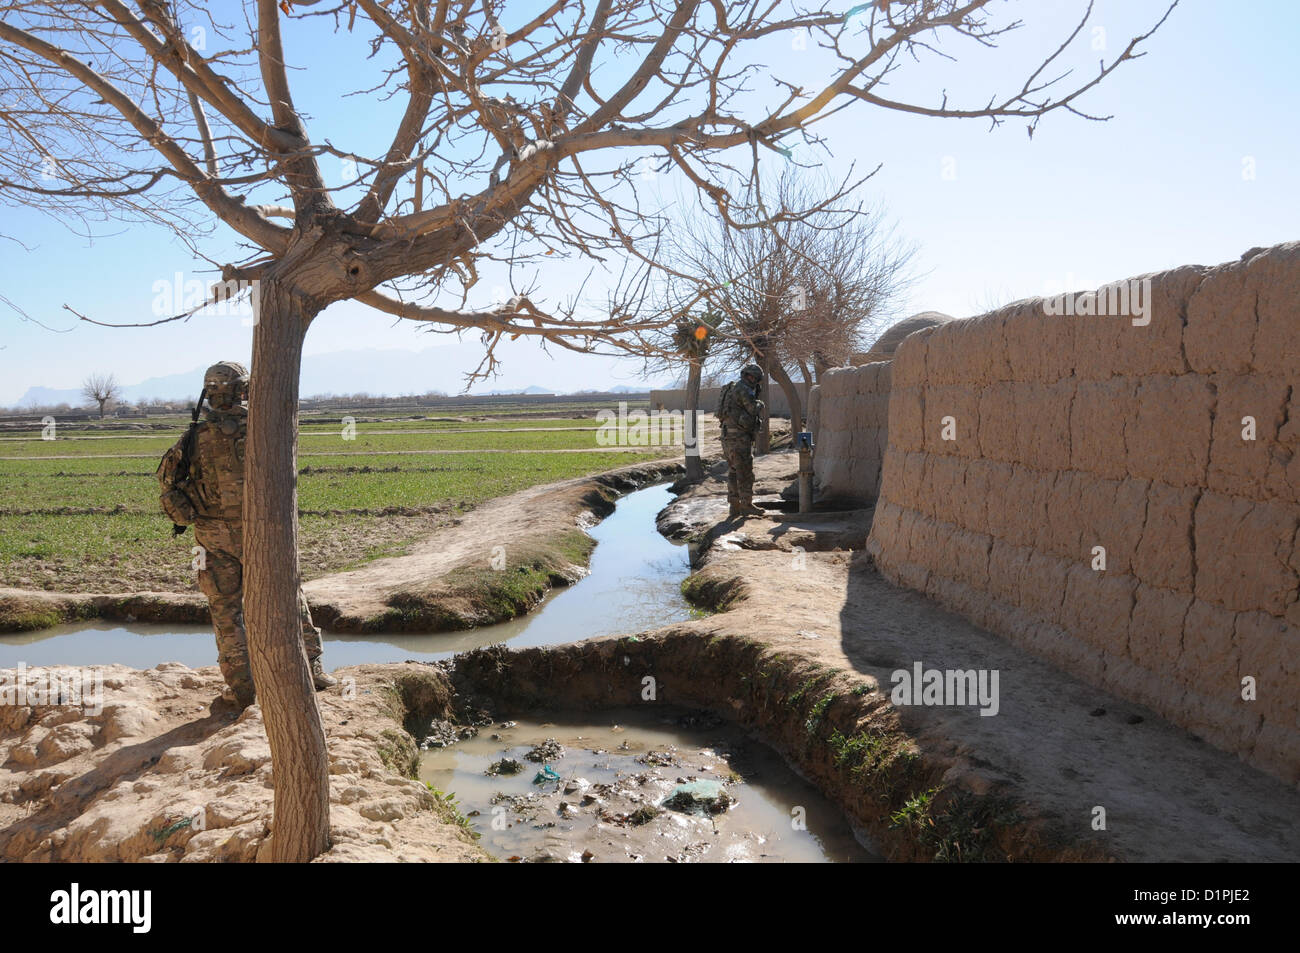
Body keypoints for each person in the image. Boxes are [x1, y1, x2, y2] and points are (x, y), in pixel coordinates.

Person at [157, 361, 336, 711]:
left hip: (212, 538)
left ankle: (242, 689)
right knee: (287, 597)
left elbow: (167, 482)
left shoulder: (194, 436)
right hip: (262, 533)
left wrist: (188, 515)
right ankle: (311, 670)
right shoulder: (265, 430)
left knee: (225, 609)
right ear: (246, 389)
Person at [719, 363, 767, 520]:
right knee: (745, 472)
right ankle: (746, 506)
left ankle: (735, 506)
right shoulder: (743, 389)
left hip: (727, 436)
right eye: (755, 378)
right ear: (750, 376)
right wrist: (760, 404)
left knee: (733, 471)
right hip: (739, 438)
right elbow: (753, 409)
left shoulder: (732, 388)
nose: (754, 381)